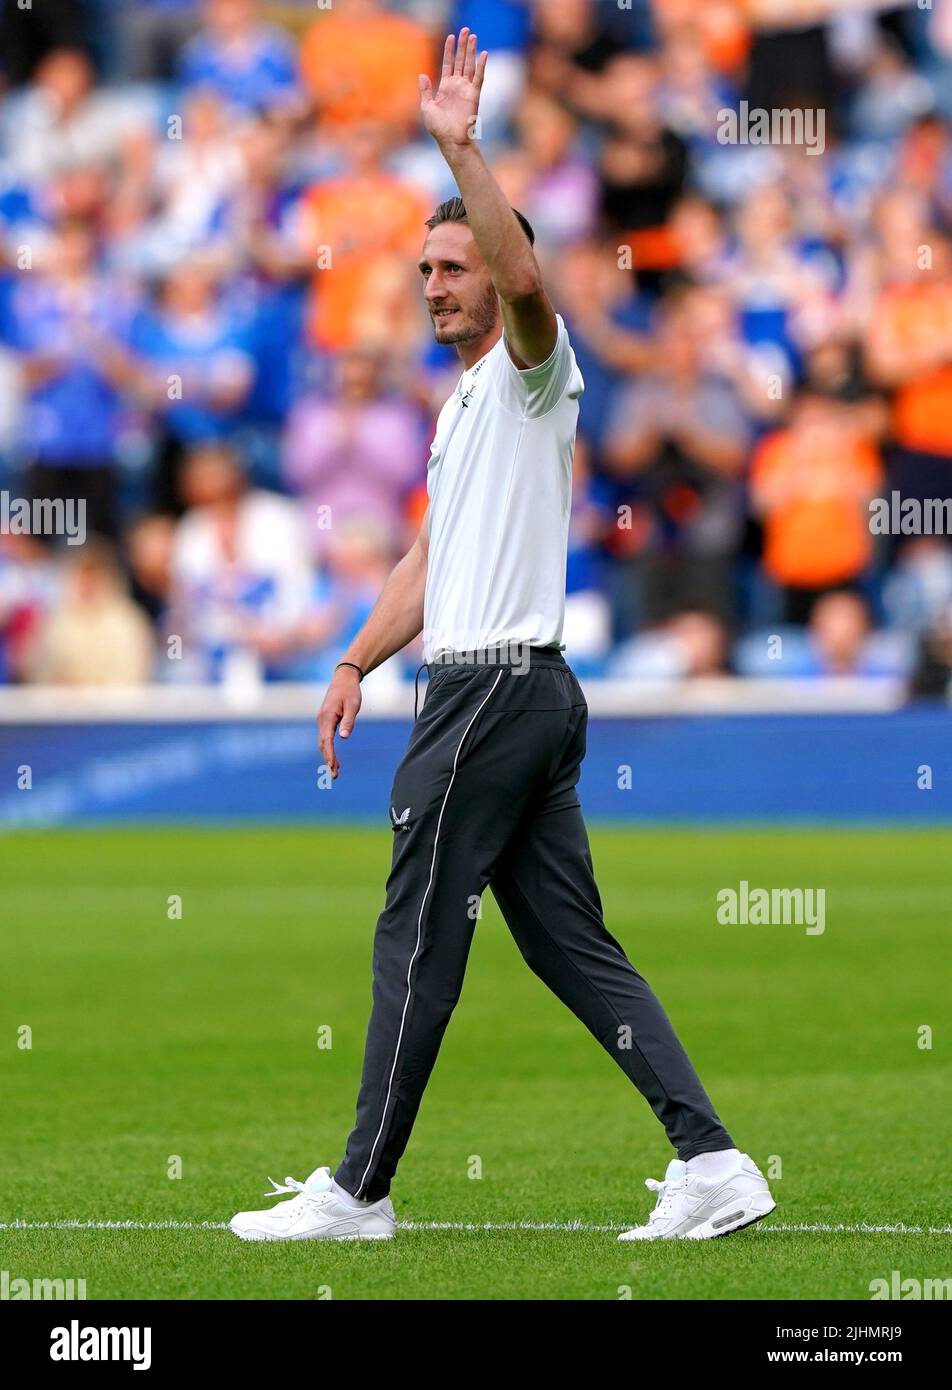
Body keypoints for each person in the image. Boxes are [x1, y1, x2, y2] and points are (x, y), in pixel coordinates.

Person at [230, 28, 775, 1245]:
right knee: (572, 947)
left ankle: (359, 1190)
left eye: (452, 267)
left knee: (414, 930)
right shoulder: (468, 399)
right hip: (513, 695)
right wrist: (352, 660)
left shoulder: (535, 368)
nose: (434, 285)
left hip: (487, 697)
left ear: (498, 266)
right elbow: (430, 558)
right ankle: (714, 1161)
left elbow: (530, 291)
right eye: (423, 269)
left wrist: (462, 148)